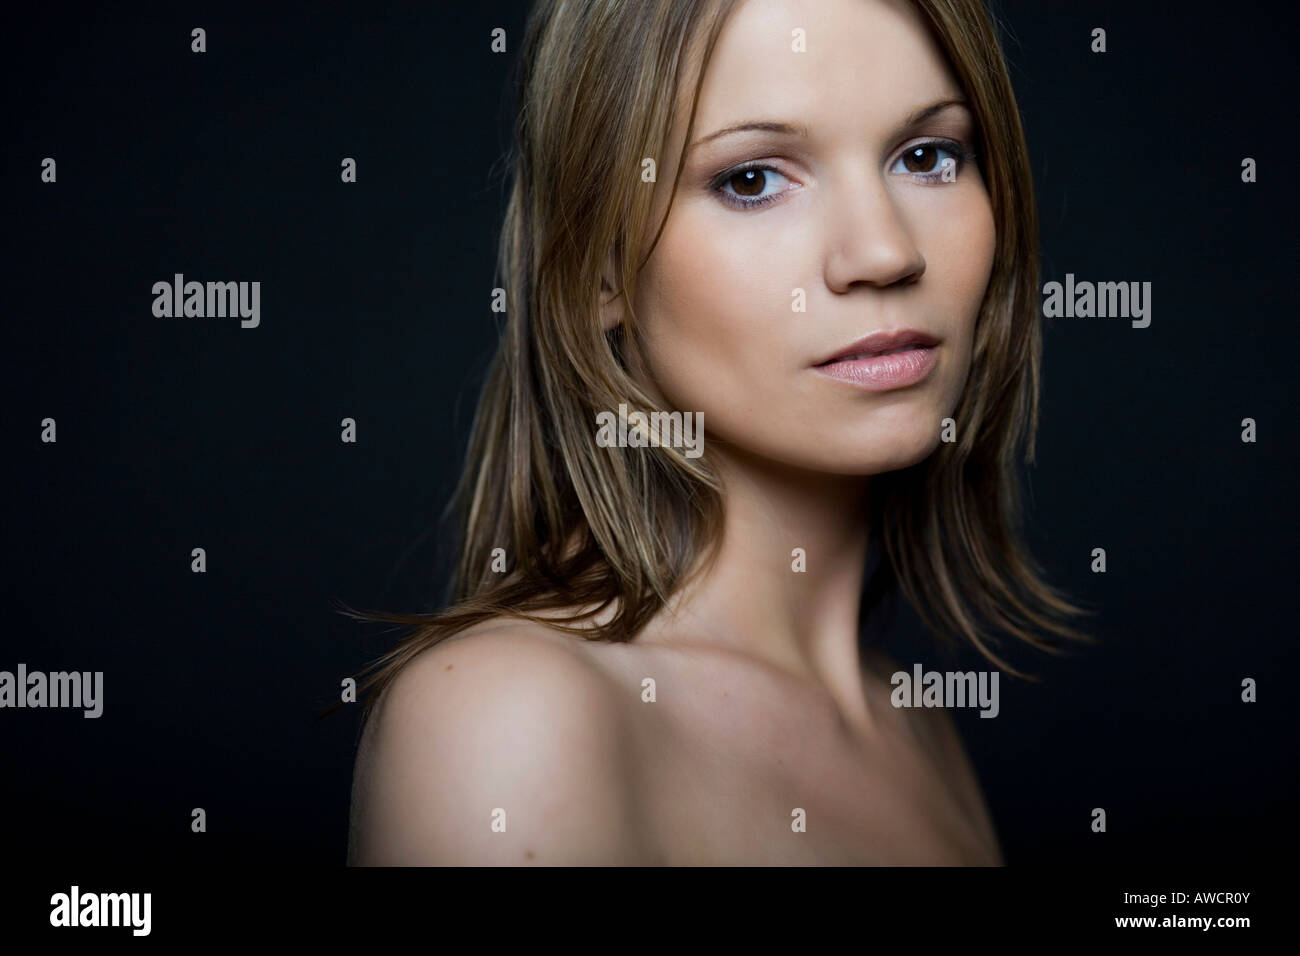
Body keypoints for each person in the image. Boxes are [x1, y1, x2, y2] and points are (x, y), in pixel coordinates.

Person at [346, 0, 1092, 865]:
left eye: (927, 157)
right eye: (752, 179)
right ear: (599, 270)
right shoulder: (511, 716)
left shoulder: (912, 722)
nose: (885, 252)